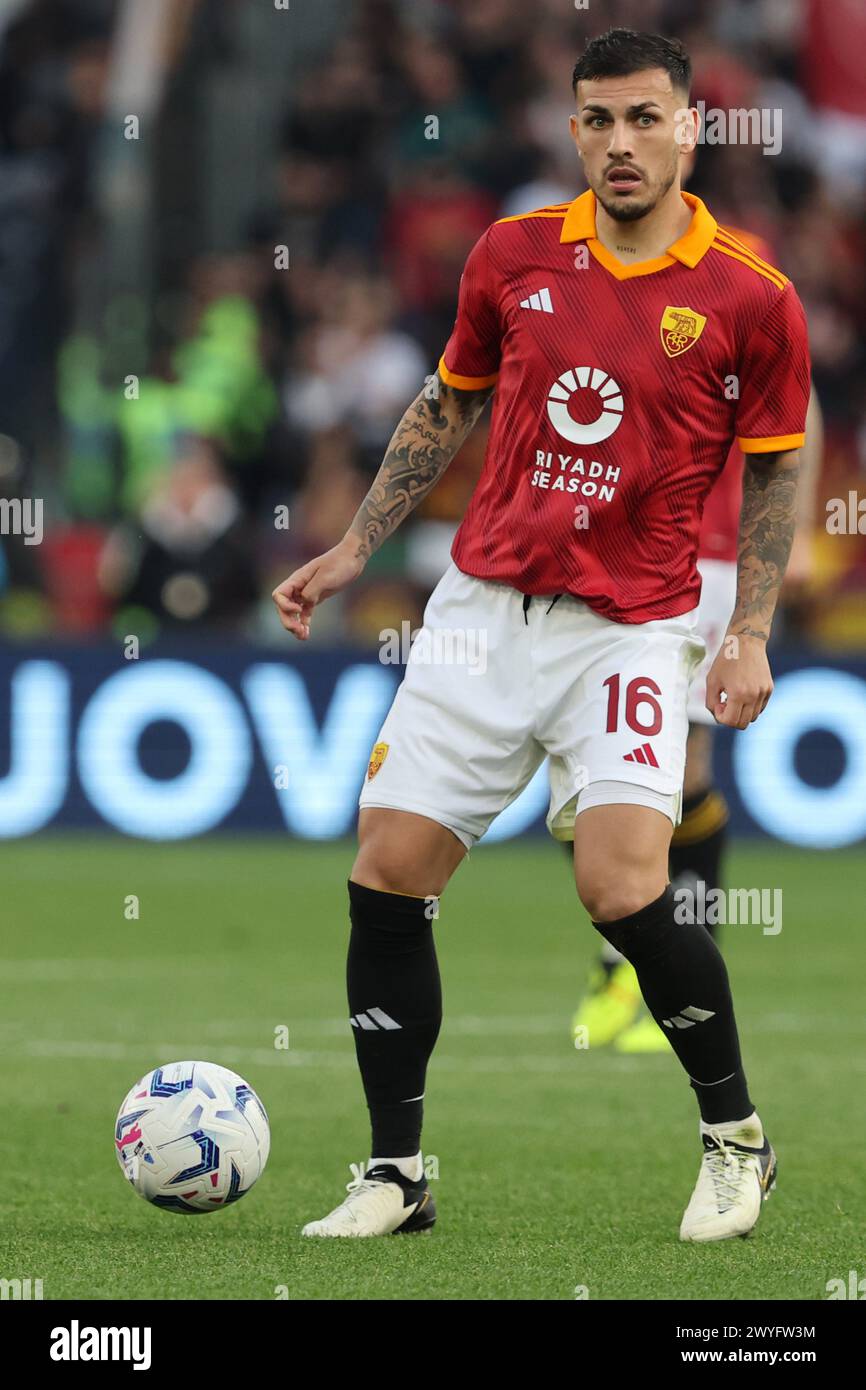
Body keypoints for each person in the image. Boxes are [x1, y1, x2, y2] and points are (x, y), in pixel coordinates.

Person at [273, 28, 810, 1243]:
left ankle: (735, 1140)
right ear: (571, 134)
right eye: (594, 121)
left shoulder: (749, 295)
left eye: (641, 118)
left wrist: (749, 628)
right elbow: (444, 402)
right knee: (387, 873)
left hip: (631, 626)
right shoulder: (511, 254)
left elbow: (777, 476)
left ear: (688, 129)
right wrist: (356, 546)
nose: (617, 143)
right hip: (477, 615)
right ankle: (395, 1173)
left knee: (618, 883)